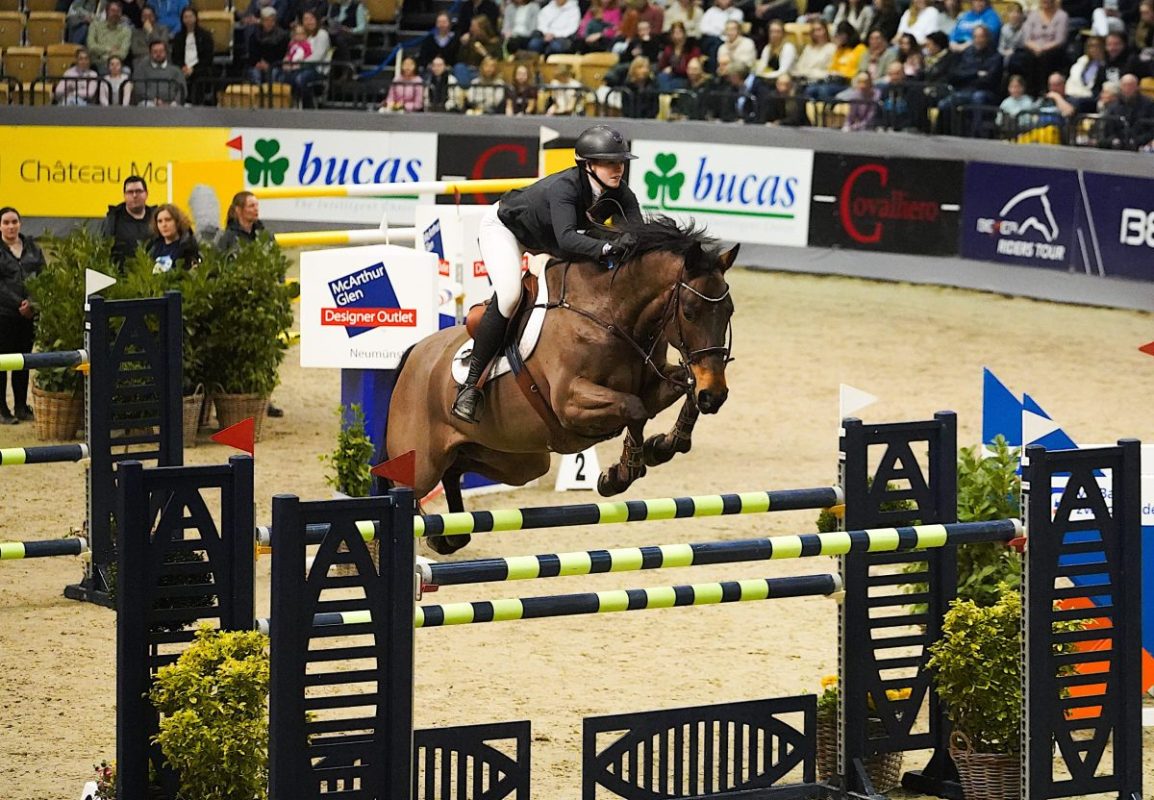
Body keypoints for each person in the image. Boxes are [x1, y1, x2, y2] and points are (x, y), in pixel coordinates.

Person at [451, 125, 643, 424]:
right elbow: (567, 239)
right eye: (609, 162)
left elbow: (637, 233)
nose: (618, 168)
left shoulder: (620, 193)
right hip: (507, 230)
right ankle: (470, 387)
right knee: (511, 295)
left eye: (620, 162)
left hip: (548, 240)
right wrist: (608, 247)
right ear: (588, 165)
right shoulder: (565, 188)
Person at [0, 207, 45, 425]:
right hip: (3, 316)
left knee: (23, 362)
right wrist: (17, 303)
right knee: (2, 364)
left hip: (27, 317)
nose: (10, 226)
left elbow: (44, 277)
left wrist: (32, 303)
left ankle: (20, 406)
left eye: (14, 222)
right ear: (0, 226)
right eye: (6, 222)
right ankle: (2, 409)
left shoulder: (33, 249)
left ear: (20, 223)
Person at [102, 176, 156, 267]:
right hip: (120, 275)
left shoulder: (157, 217)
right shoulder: (113, 219)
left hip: (151, 276)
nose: (134, 195)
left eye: (139, 191)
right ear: (124, 195)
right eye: (130, 192)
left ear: (146, 194)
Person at [172, 7, 215, 104]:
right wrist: (183, 67)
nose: (188, 19)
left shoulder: (205, 36)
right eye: (185, 17)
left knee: (200, 78)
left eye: (190, 16)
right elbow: (176, 56)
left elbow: (208, 58)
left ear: (195, 18)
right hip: (183, 68)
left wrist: (193, 69)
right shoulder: (178, 37)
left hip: (200, 68)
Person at [148, 204, 201, 272]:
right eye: (160, 221)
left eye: (168, 220)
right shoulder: (153, 247)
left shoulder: (189, 247)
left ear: (177, 222)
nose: (164, 225)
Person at [132, 39, 187, 105]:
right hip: (149, 102)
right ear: (150, 53)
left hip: (172, 104)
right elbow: (139, 89)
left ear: (166, 52)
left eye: (161, 51)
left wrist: (175, 102)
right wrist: (154, 100)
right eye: (155, 52)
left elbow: (183, 90)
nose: (158, 54)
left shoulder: (176, 70)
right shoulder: (141, 69)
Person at [87, 1, 132, 72]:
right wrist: (109, 49)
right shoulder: (95, 26)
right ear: (107, 12)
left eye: (118, 11)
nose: (115, 14)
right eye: (113, 11)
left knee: (126, 71)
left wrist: (104, 54)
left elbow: (123, 53)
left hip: (117, 64)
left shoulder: (126, 30)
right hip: (97, 63)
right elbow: (91, 47)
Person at [249, 7, 290, 83]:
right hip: (259, 64)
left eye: (272, 20)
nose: (269, 23)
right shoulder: (255, 35)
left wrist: (269, 66)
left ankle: (272, 94)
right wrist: (258, 63)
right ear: (261, 21)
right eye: (266, 20)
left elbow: (282, 55)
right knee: (254, 73)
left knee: (274, 73)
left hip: (276, 65)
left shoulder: (282, 36)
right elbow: (252, 54)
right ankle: (259, 93)